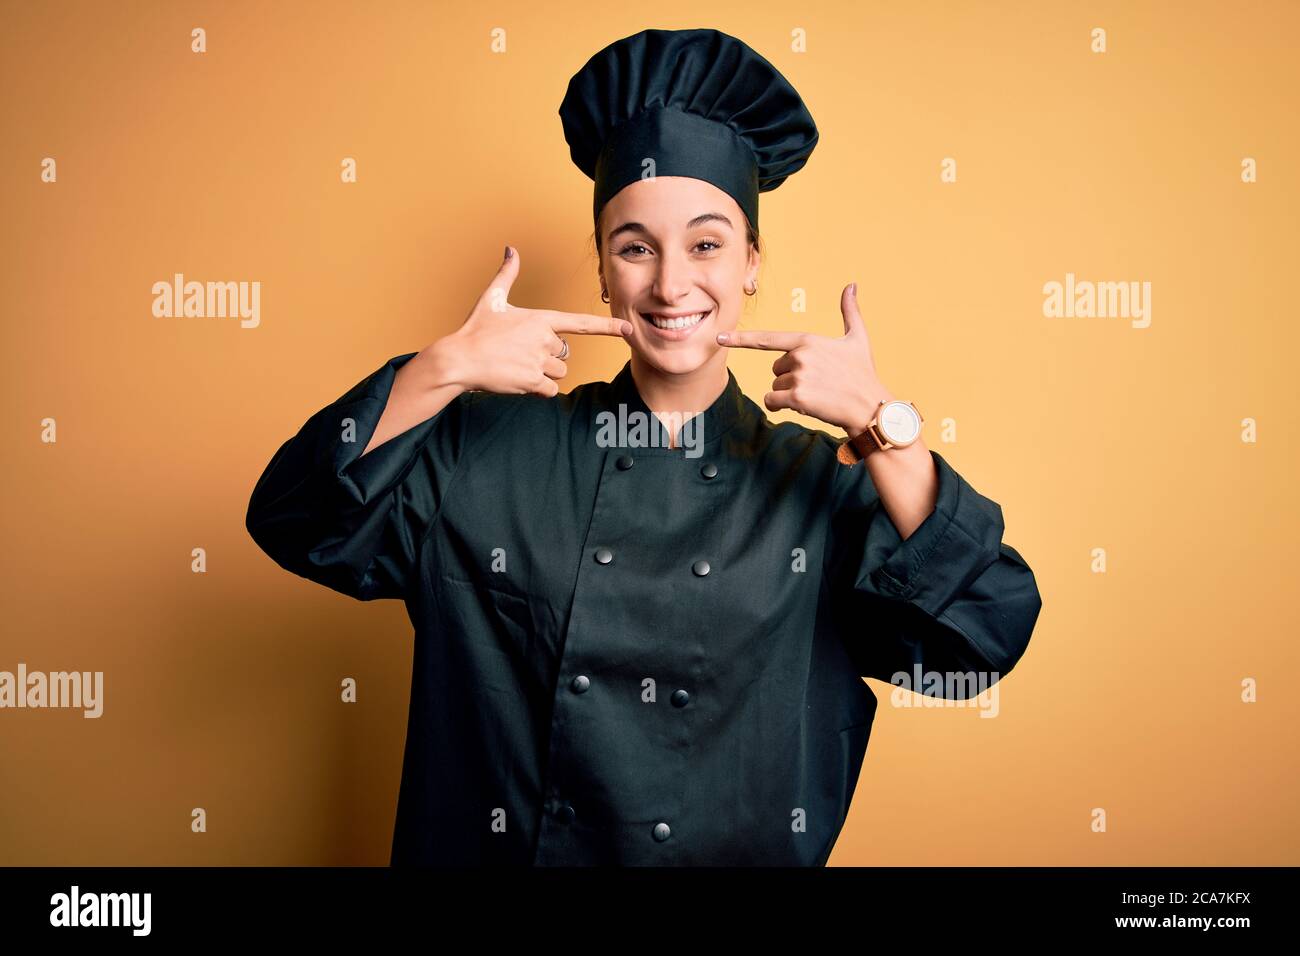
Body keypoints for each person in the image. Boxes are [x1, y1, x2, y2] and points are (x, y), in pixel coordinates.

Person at [245, 28, 1043, 866]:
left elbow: (985, 634)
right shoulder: (481, 448)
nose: (670, 284)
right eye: (635, 247)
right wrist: (440, 368)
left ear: (751, 266)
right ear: (600, 266)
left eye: (706, 244)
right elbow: (296, 520)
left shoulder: (821, 486)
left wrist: (881, 426)